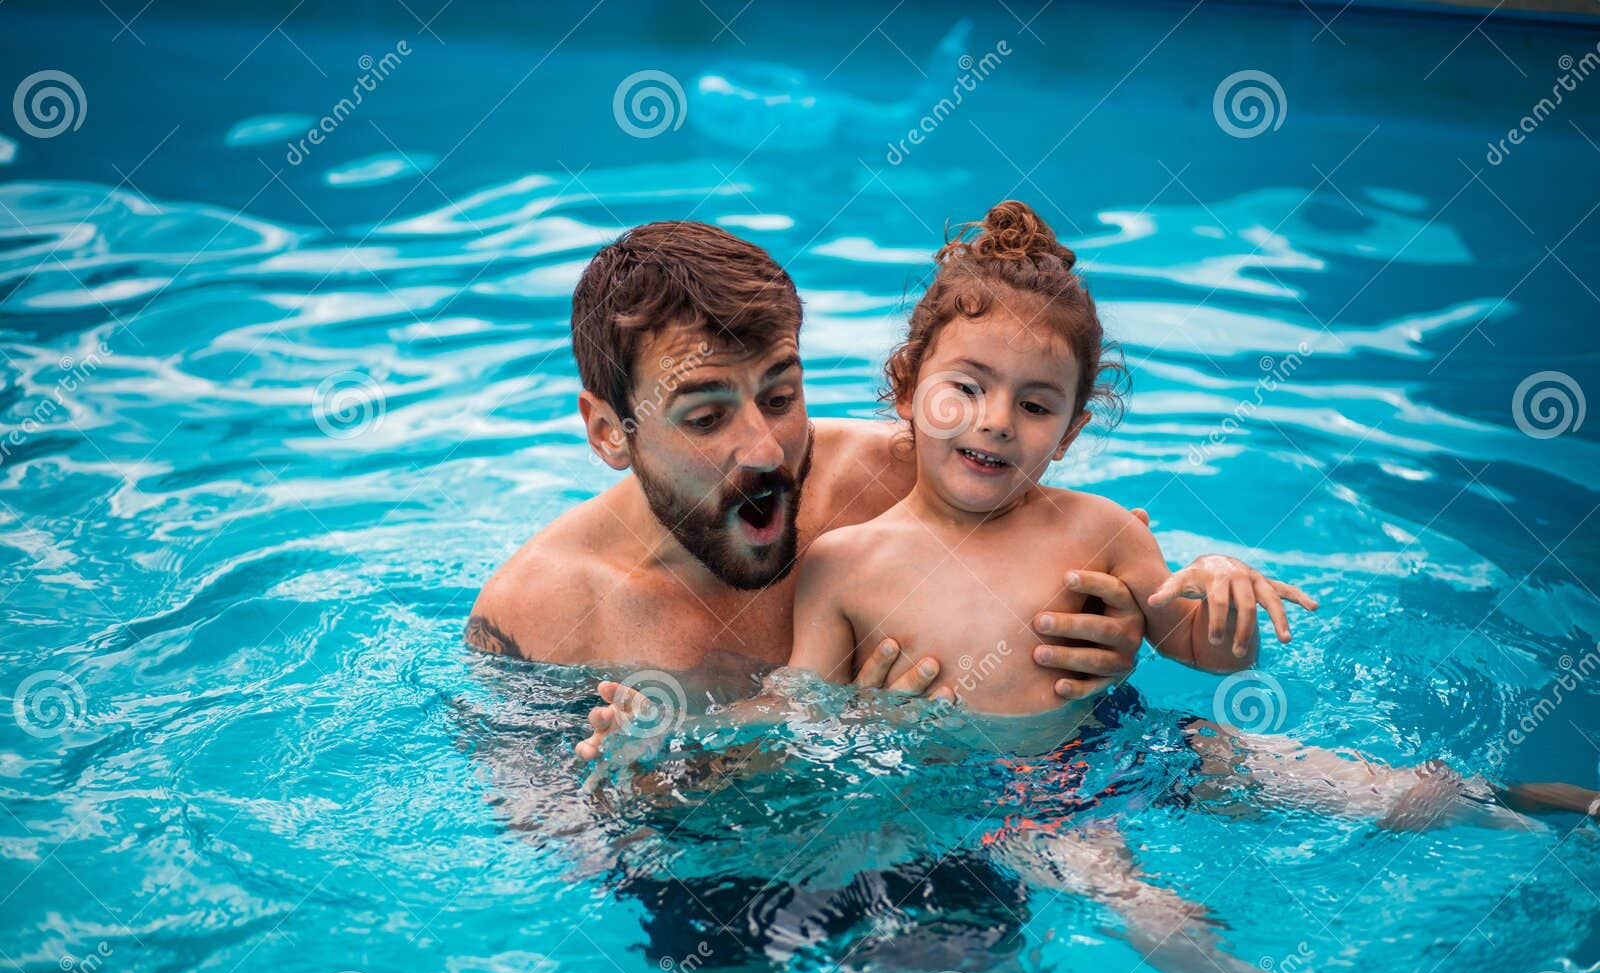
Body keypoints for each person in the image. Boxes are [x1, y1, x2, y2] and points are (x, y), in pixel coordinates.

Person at [466, 219, 1275, 701]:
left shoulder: (901, 473)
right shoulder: (536, 618)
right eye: (708, 415)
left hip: (996, 805)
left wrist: (1124, 627)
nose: (764, 448)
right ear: (609, 430)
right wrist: (643, 774)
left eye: (781, 396)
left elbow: (1062, 545)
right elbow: (552, 834)